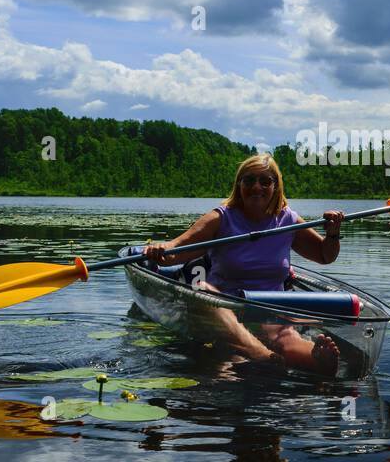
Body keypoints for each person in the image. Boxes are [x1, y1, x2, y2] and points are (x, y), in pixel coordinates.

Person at [143, 153, 346, 374]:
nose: (256, 187)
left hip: (270, 310)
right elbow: (177, 250)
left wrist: (333, 234)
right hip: (225, 309)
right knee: (200, 290)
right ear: (239, 185)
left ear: (275, 187)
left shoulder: (287, 220)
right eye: (249, 180)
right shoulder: (220, 218)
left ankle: (316, 360)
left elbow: (325, 255)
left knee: (286, 337)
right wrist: (161, 250)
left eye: (265, 181)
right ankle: (260, 354)